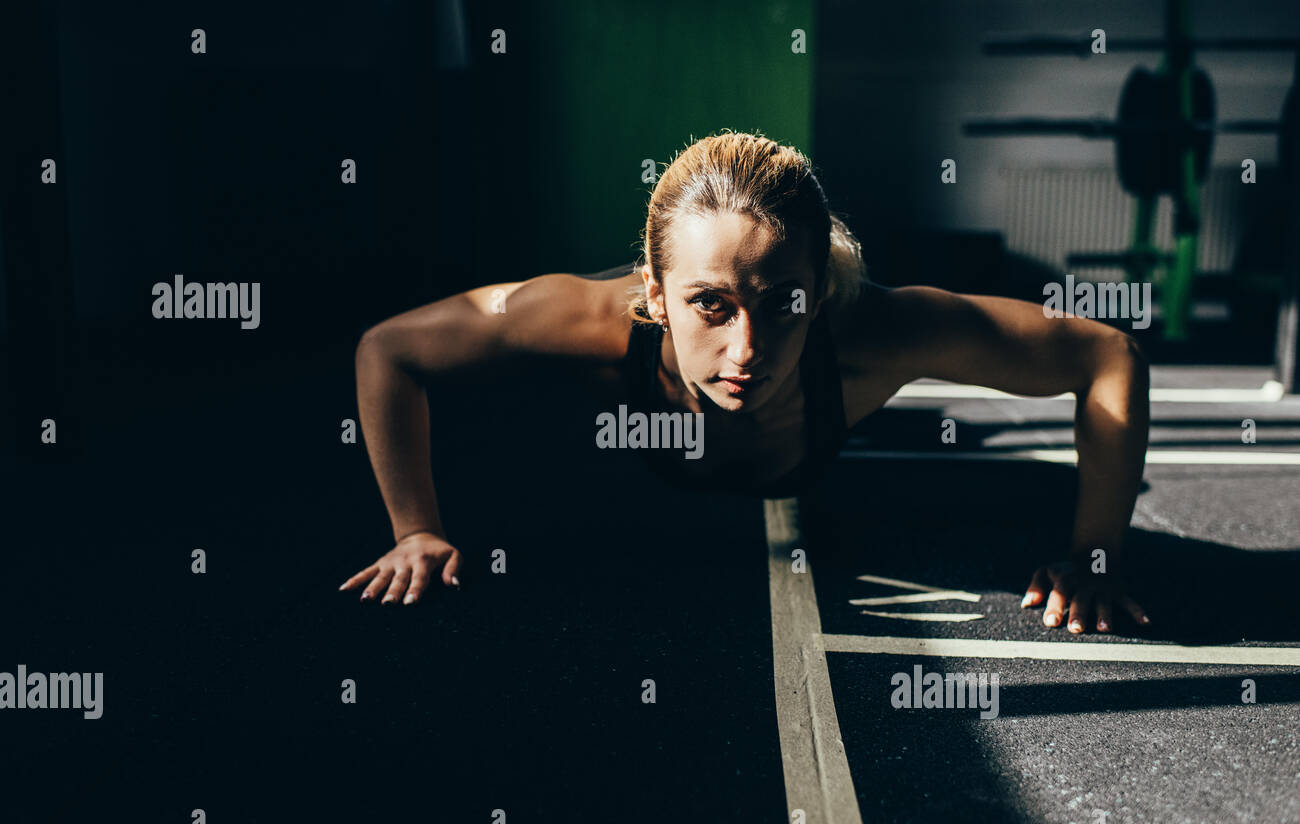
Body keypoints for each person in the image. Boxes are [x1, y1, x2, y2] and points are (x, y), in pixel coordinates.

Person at [341, 132, 1151, 634]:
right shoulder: (582, 320)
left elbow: (1108, 353)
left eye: (781, 305)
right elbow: (388, 348)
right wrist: (416, 528)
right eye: (711, 306)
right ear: (654, 295)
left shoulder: (875, 331)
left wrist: (1098, 555)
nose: (747, 349)